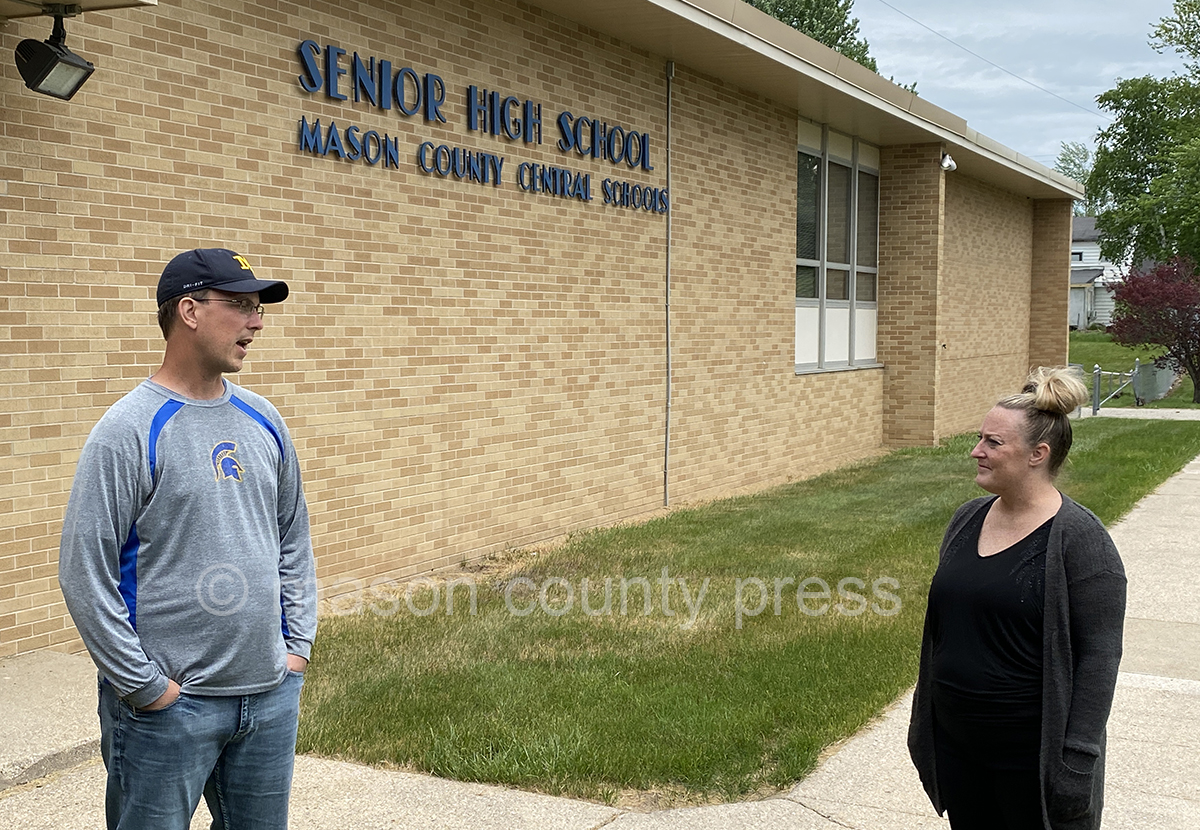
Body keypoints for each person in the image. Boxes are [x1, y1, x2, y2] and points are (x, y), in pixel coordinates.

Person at [58, 248, 318, 830]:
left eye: (259, 308)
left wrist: (295, 647)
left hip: (270, 695)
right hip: (170, 711)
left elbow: (293, 540)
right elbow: (83, 572)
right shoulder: (126, 431)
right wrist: (144, 687)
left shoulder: (264, 419)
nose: (256, 321)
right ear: (189, 311)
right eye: (241, 305)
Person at [908, 367, 1126, 830]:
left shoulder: (1081, 541)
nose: (976, 451)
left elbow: (1100, 657)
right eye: (980, 438)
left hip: (1029, 757)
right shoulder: (968, 519)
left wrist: (1077, 761)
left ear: (1037, 454)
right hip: (959, 747)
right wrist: (924, 727)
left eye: (993, 442)